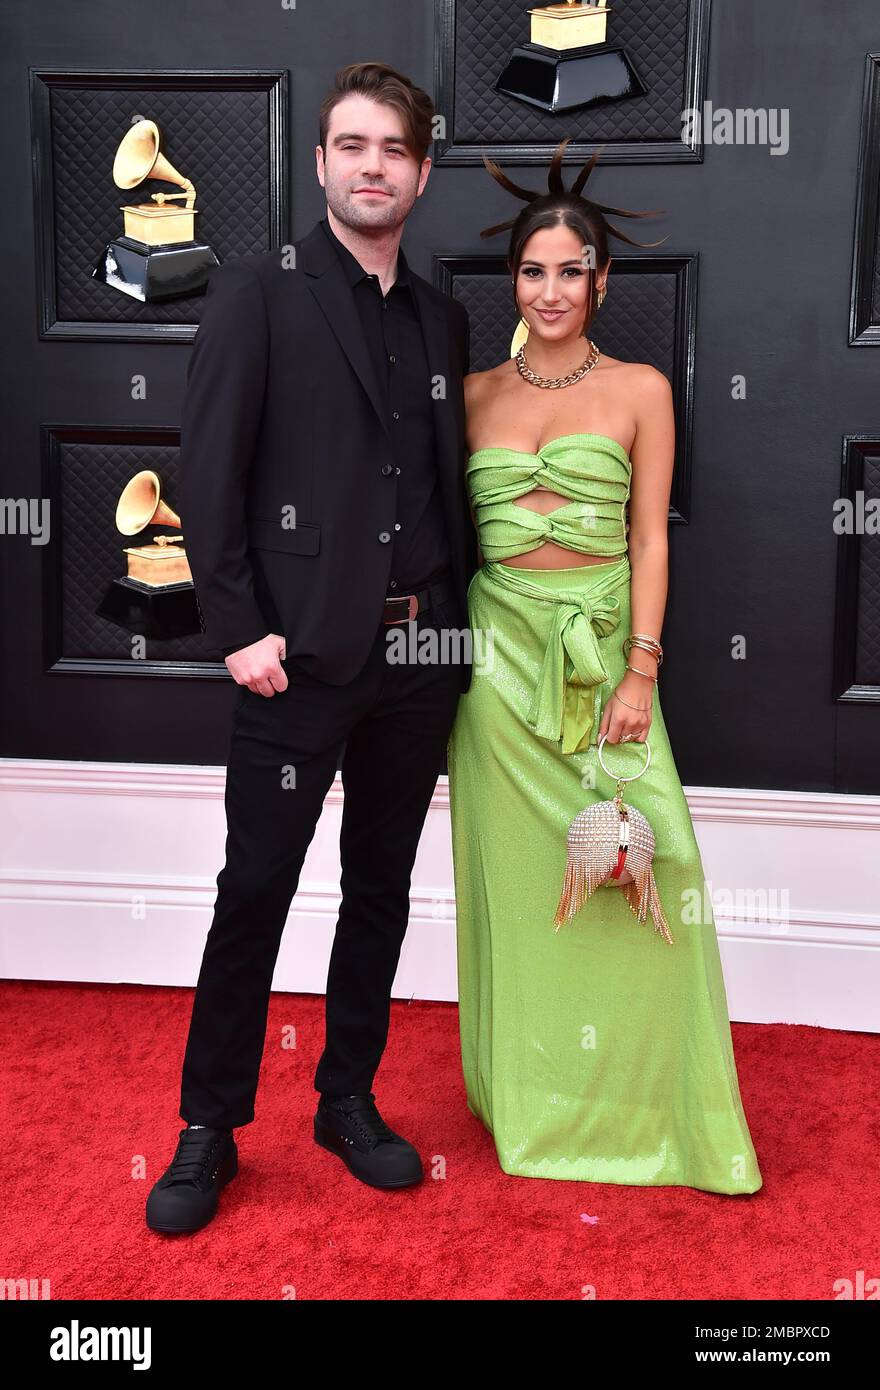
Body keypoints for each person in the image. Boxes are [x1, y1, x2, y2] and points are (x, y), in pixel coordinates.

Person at [146, 62, 477, 1234]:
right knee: (255, 889)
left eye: (394, 148)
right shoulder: (258, 293)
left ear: (421, 172)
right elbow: (208, 473)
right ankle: (208, 1126)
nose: (372, 165)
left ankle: (347, 1097)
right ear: (323, 162)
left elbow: (439, 489)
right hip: (292, 662)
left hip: (418, 659)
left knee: (378, 890)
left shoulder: (441, 316)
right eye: (352, 145)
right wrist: (237, 632)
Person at [446, 140, 763, 1194]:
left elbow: (649, 542)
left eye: (568, 270)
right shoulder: (474, 394)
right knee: (526, 889)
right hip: (495, 675)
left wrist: (641, 670)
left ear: (601, 280)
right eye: (532, 271)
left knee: (643, 873)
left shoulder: (639, 389)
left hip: (604, 668)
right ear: (514, 281)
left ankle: (659, 1116)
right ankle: (534, 1101)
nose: (549, 290)